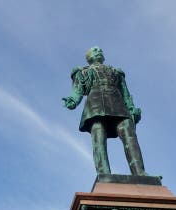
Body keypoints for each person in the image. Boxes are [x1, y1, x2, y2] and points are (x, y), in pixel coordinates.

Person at [62, 46, 146, 176]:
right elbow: (77, 91)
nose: (99, 51)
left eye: (100, 50)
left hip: (118, 104)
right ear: (88, 57)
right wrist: (72, 101)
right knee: (98, 138)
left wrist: (131, 108)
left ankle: (140, 172)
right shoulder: (82, 72)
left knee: (130, 135)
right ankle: (104, 174)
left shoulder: (116, 72)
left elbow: (126, 93)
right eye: (95, 50)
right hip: (95, 105)